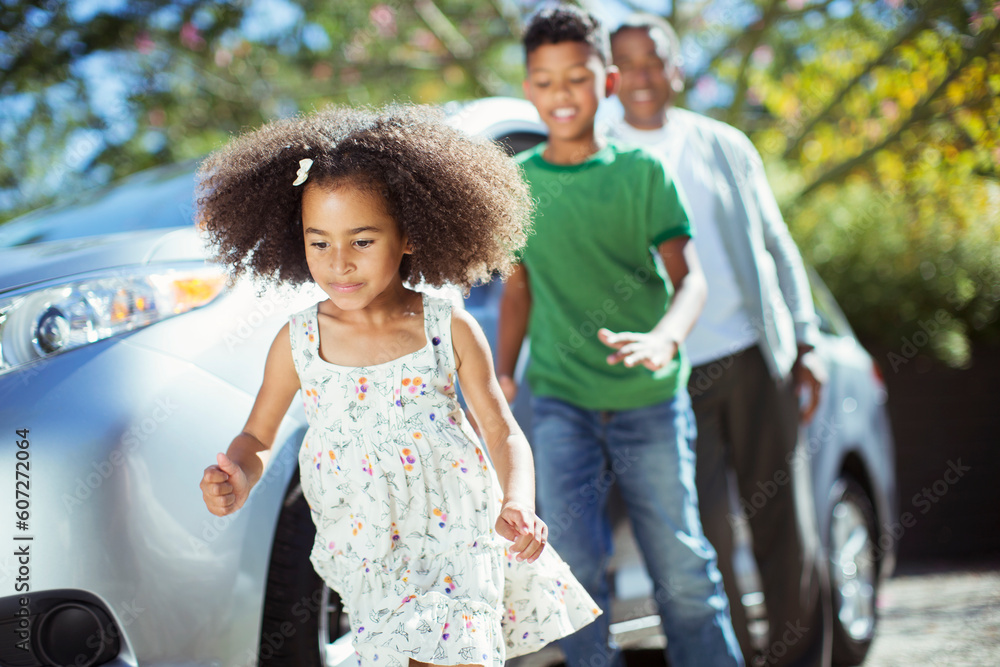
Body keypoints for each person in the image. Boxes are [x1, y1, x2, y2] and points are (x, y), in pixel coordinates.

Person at [197, 105, 600, 667]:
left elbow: (501, 431)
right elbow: (258, 436)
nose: (339, 263)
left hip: (461, 529)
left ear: (408, 235)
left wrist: (518, 501)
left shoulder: (447, 326)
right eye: (320, 243)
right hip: (369, 547)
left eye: (362, 241)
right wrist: (238, 473)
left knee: (461, 656)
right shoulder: (299, 341)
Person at [497, 6, 743, 667]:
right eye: (544, 81)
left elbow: (690, 281)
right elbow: (517, 289)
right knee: (573, 572)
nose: (560, 95)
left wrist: (664, 337)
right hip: (559, 404)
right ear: (528, 87)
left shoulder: (642, 174)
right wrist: (503, 371)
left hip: (649, 399)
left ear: (604, 81)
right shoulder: (518, 188)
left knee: (683, 567)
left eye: (575, 78)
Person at [607, 15, 832, 667]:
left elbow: (778, 246)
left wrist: (807, 340)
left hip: (754, 360)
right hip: (668, 377)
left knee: (784, 530)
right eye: (627, 64)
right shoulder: (603, 154)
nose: (643, 77)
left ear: (677, 70)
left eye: (655, 62)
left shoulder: (724, 143)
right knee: (701, 541)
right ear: (612, 78)